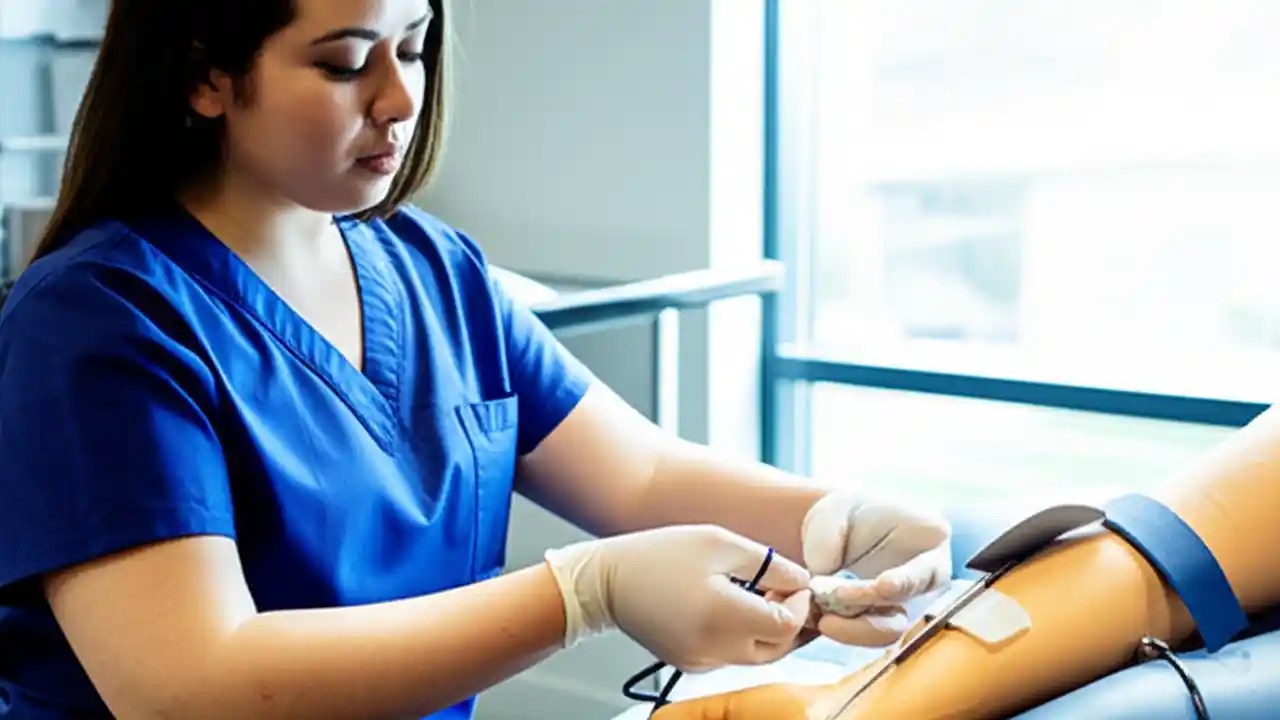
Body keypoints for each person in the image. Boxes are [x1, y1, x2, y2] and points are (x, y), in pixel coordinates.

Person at [0, 1, 952, 718]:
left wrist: (836, 520)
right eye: (343, 63)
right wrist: (585, 594)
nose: (400, 97)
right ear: (207, 76)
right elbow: (188, 685)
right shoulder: (98, 321)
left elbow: (642, 473)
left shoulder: (431, 270)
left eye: (413, 47)